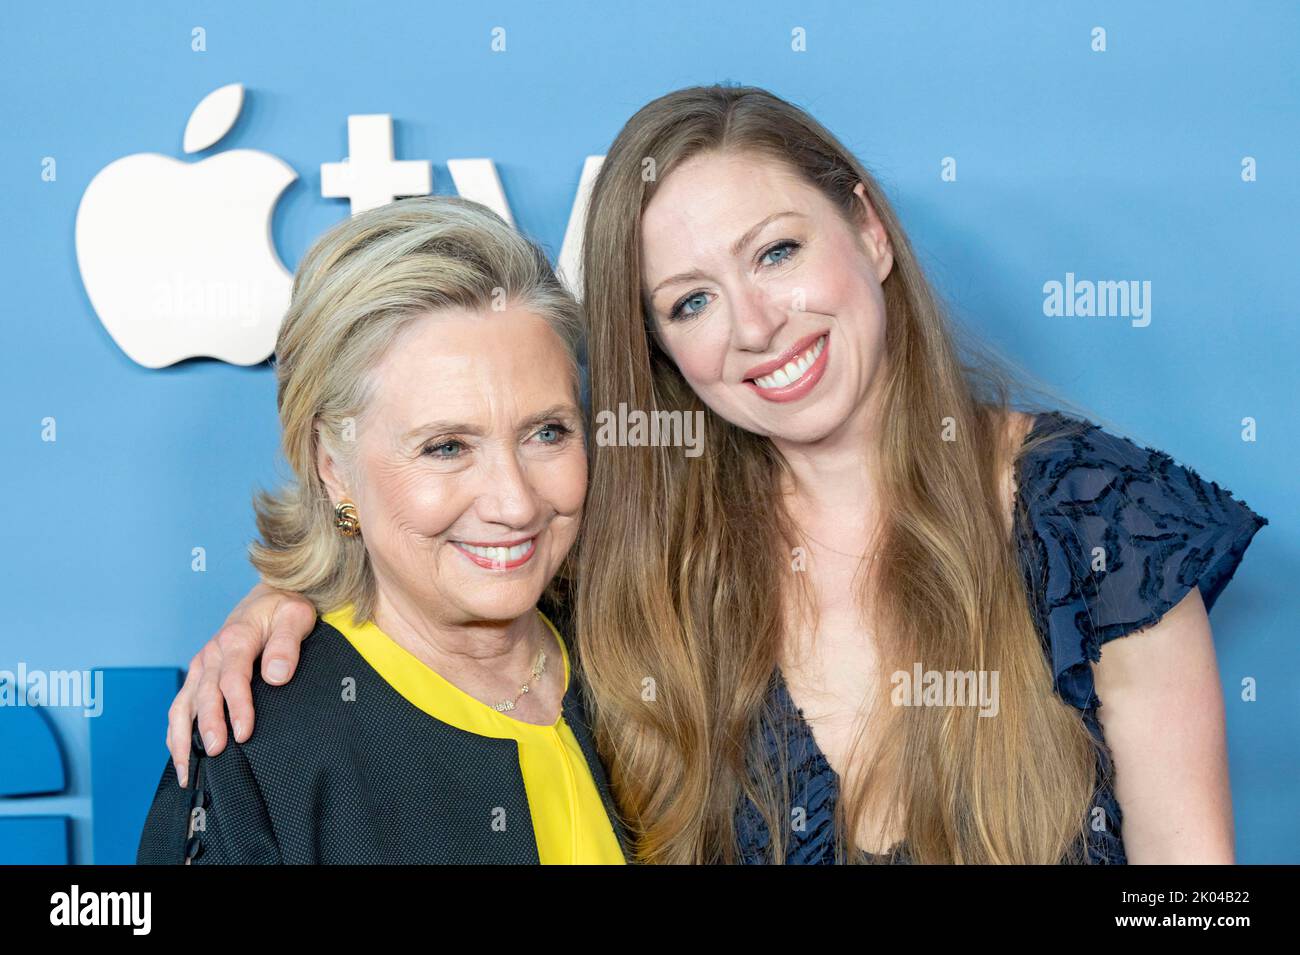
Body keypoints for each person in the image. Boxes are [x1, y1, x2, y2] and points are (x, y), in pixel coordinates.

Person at [160, 85, 1269, 864]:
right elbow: (451, 570)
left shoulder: (1097, 522)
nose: (753, 325)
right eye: (688, 301)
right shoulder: (651, 548)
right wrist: (294, 592)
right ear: (659, 352)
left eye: (776, 251)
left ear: (869, 229)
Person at [138, 196, 627, 864]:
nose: (514, 502)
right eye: (447, 446)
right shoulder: (258, 750)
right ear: (332, 466)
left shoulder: (649, 665)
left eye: (547, 432)